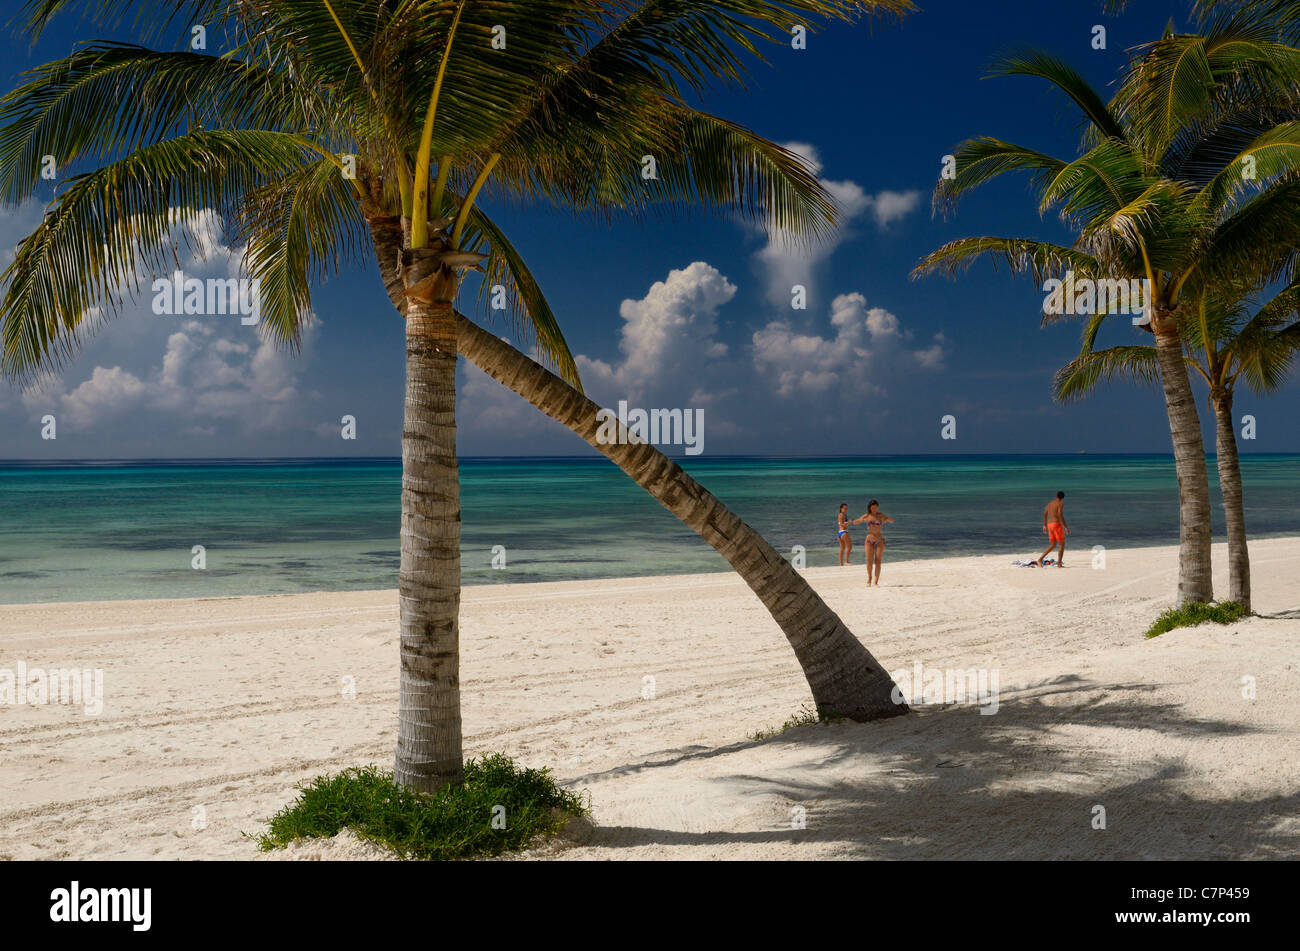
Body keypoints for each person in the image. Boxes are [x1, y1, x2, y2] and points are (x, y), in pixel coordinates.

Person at [854, 499, 893, 586]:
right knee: (869, 562)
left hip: (879, 540)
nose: (874, 509)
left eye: (875, 507)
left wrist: (887, 519)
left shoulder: (880, 515)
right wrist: (860, 520)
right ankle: (869, 578)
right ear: (870, 508)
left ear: (877, 507)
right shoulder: (867, 516)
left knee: (878, 561)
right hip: (869, 540)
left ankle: (875, 582)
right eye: (872, 507)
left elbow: (891, 520)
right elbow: (855, 522)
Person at [1034, 491, 1069, 567]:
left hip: (1050, 525)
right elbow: (1060, 514)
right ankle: (1059, 564)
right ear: (1063, 498)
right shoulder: (1060, 504)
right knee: (1062, 544)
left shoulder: (1050, 503)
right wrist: (1065, 526)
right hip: (1056, 524)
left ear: (1056, 496)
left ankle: (1040, 559)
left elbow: (1045, 513)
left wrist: (1044, 525)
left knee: (1053, 545)